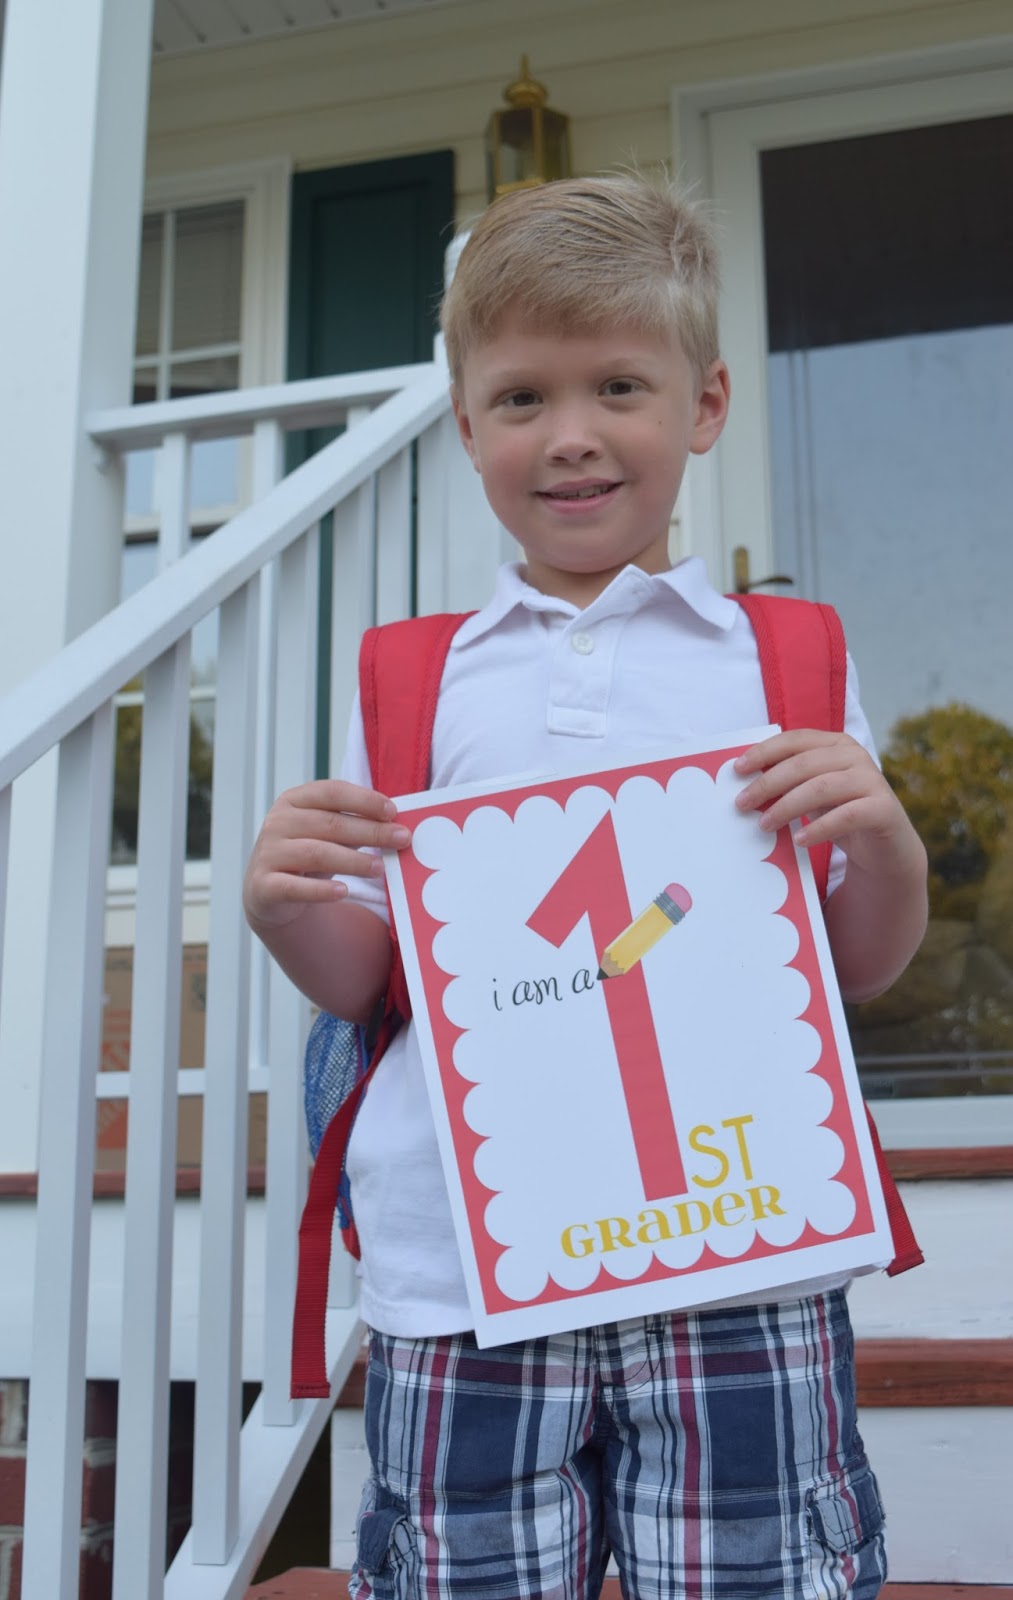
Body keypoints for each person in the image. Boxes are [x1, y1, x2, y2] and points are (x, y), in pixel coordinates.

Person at [243, 175, 928, 1600]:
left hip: (738, 1243)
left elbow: (858, 961)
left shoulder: (784, 657)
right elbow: (373, 977)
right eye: (519, 398)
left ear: (705, 405)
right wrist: (288, 904)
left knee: (758, 1576)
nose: (569, 436)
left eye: (618, 383)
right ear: (465, 425)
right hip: (465, 1255)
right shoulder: (413, 677)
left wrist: (889, 841)